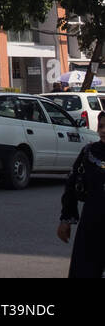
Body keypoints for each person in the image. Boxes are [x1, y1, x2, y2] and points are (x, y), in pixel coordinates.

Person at [58, 112, 105, 277]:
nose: (104, 130)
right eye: (101, 126)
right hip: (92, 221)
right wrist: (66, 220)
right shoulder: (88, 153)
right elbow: (71, 185)